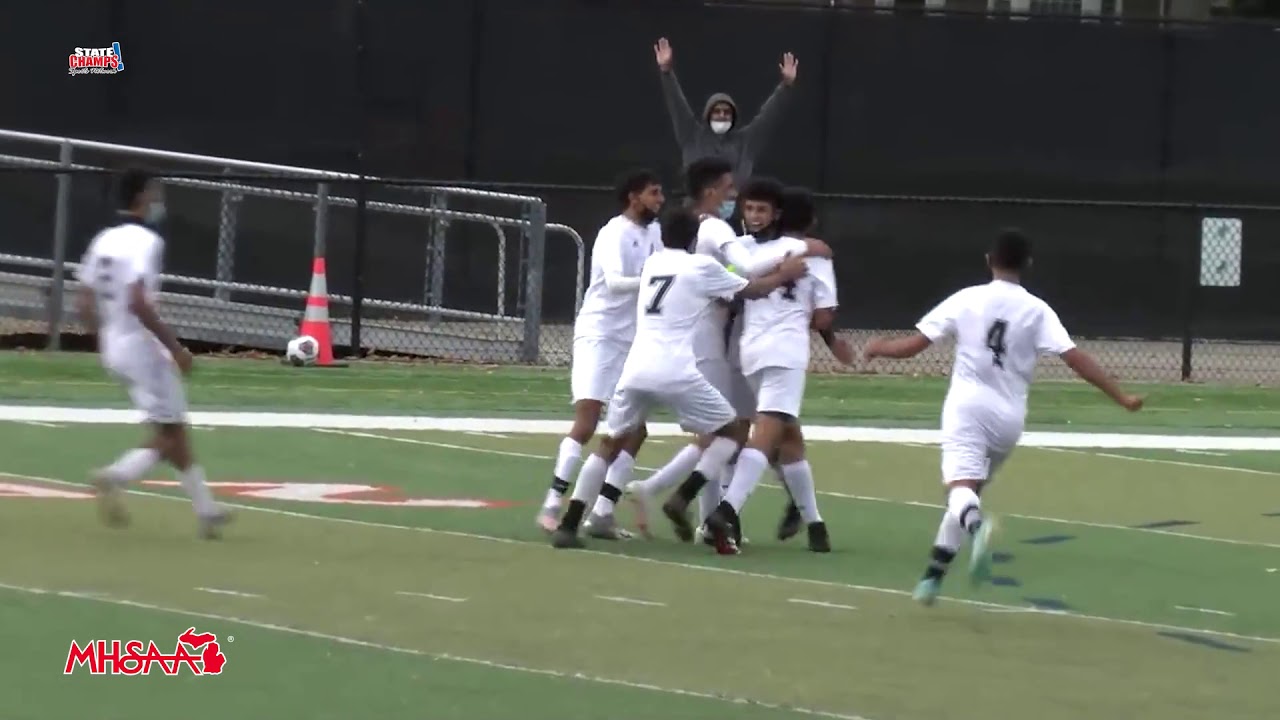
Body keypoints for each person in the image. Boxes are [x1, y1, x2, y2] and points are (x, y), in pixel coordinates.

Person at [862, 229, 1144, 605]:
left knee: (960, 490)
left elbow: (914, 346)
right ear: (1028, 264)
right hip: (1010, 417)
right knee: (968, 492)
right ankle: (932, 577)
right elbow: (1075, 358)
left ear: (988, 260)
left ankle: (978, 530)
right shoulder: (1037, 309)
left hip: (967, 406)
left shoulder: (967, 298)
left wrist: (879, 349)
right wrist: (1121, 396)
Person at [550, 206, 809, 550]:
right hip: (676, 369)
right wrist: (784, 271)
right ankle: (683, 496)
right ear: (695, 239)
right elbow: (752, 289)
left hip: (635, 368)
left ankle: (569, 524)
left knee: (609, 445)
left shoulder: (654, 262)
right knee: (733, 430)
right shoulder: (701, 266)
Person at [75, 168, 230, 539]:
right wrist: (175, 347)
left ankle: (206, 511)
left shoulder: (103, 239)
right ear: (142, 195)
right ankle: (117, 475)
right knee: (171, 431)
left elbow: (83, 302)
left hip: (114, 344)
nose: (159, 200)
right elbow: (138, 301)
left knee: (172, 426)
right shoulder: (146, 242)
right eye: (155, 192)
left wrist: (104, 337)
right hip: (141, 346)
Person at [704, 187, 844, 555]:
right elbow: (823, 316)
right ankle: (727, 509)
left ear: (777, 214)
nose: (752, 213)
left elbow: (733, 283)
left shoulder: (747, 250)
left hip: (750, 350)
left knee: (789, 438)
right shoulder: (811, 253)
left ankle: (816, 526)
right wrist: (823, 326)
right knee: (766, 433)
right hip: (785, 351)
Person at [537, 169, 664, 532]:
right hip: (600, 333)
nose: (660, 199)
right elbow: (614, 282)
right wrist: (656, 282)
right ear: (634, 197)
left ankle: (603, 512)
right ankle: (552, 501)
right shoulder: (613, 233)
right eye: (653, 193)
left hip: (634, 339)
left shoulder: (654, 232)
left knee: (635, 430)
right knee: (588, 420)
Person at [654, 37, 798, 189]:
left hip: (734, 207)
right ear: (708, 115)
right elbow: (677, 104)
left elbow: (769, 116)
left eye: (727, 112)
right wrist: (666, 72)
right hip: (696, 207)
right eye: (716, 111)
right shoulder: (691, 136)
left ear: (733, 117)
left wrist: (786, 86)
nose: (722, 115)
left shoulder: (746, 141)